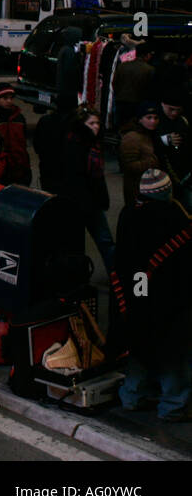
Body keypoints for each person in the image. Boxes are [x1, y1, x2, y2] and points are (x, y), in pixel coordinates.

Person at [114, 168, 192, 423]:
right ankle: (173, 405)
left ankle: (132, 396)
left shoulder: (128, 214)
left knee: (140, 347)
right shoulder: (175, 219)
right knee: (173, 353)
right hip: (166, 301)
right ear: (166, 192)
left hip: (135, 295)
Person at [59, 104, 115, 270]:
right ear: (81, 124)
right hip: (82, 202)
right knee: (101, 240)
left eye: (97, 123)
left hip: (91, 201)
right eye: (91, 123)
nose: (96, 127)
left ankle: (115, 275)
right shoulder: (76, 145)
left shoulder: (92, 144)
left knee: (104, 240)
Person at [120, 102, 166, 207]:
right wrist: (152, 162)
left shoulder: (153, 134)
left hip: (154, 186)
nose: (153, 121)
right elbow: (128, 166)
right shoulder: (132, 137)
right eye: (149, 117)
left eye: (155, 118)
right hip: (138, 188)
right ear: (140, 119)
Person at [0, 82, 32, 185]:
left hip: (19, 169)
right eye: (5, 98)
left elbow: (23, 144)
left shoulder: (19, 118)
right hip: (1, 169)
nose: (9, 101)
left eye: (11, 98)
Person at [112, 45, 156, 129]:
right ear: (147, 55)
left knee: (121, 125)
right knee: (135, 126)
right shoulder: (150, 69)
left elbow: (114, 83)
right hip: (138, 102)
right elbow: (150, 88)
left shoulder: (123, 66)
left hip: (121, 101)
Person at [33, 104, 70, 194]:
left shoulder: (44, 120)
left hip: (47, 168)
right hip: (65, 170)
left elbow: (36, 144)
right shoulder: (72, 123)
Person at [54, 26, 84, 114]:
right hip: (68, 91)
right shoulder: (69, 51)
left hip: (63, 90)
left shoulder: (65, 49)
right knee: (68, 114)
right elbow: (70, 71)